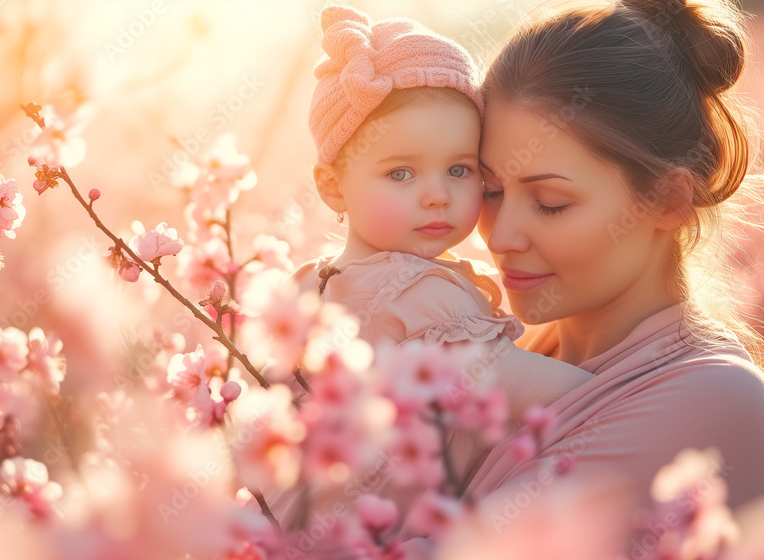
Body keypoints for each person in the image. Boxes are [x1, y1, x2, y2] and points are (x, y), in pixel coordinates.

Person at [413, 0, 764, 545]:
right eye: (490, 191)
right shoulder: (516, 352)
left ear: (668, 200)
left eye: (550, 202)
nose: (500, 236)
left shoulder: (720, 398)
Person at [268, 4, 593, 534]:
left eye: (460, 169)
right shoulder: (415, 295)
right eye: (400, 173)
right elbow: (564, 399)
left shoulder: (309, 281)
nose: (438, 196)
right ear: (331, 185)